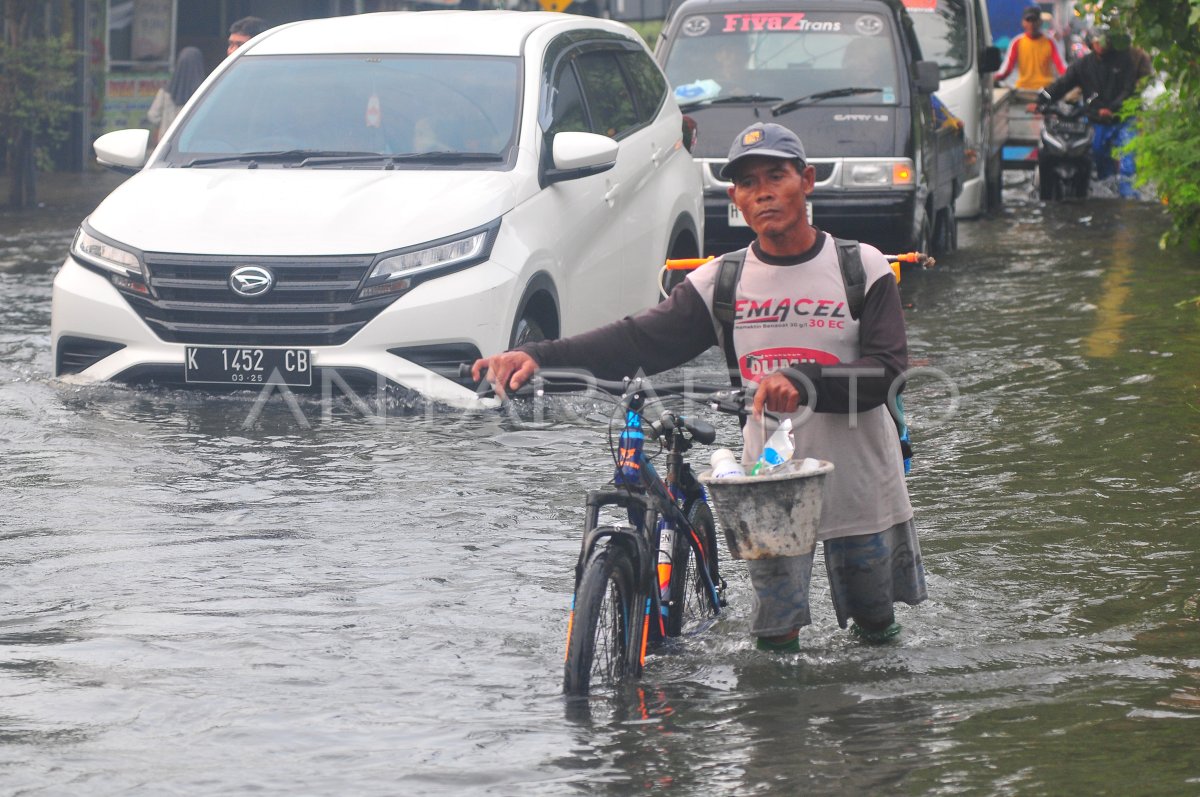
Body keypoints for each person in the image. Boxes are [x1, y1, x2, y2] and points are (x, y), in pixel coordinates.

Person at [473, 122, 927, 653]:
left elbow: (886, 373)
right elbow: (637, 341)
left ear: (806, 181)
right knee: (776, 639)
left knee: (876, 639)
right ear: (733, 196)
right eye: (746, 182)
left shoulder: (862, 267)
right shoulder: (722, 282)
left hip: (862, 482)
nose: (761, 191)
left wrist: (803, 382)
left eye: (776, 176)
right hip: (768, 485)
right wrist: (537, 355)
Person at [1038, 25, 1153, 198]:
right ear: (1091, 43)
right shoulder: (1083, 65)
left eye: (1104, 42)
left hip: (1123, 117)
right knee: (1099, 159)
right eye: (1097, 42)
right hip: (1097, 120)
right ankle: (1108, 198)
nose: (1101, 46)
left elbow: (1128, 89)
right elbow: (1063, 84)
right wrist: (1043, 98)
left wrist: (1112, 108)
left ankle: (1130, 200)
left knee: (1129, 163)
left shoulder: (1125, 61)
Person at [994, 6, 1066, 90]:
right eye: (1028, 20)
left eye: (1034, 20)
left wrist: (1071, 78)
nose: (1031, 24)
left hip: (1046, 90)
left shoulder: (1051, 42)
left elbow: (1061, 66)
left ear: (1040, 22)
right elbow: (1007, 69)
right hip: (1022, 91)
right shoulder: (1016, 43)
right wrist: (994, 79)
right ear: (1023, 22)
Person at [146, 47, 206, 145]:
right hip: (192, 146)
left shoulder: (165, 91)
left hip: (166, 147)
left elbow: (153, 115)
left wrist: (164, 125)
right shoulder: (204, 94)